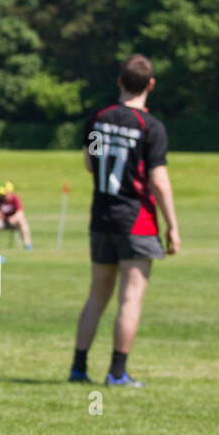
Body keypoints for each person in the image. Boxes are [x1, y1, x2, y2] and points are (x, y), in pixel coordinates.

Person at [70, 53, 179, 388]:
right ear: (151, 85)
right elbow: (159, 181)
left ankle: (79, 367)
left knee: (96, 296)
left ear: (119, 80)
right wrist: (172, 224)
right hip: (137, 221)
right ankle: (117, 372)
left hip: (101, 218)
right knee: (130, 297)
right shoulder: (152, 127)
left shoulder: (98, 117)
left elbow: (90, 165)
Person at [0, 181, 32, 249]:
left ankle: (28, 244)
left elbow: (20, 213)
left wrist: (14, 218)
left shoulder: (15, 198)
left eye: (4, 194)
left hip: (14, 221)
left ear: (9, 193)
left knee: (23, 222)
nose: (2, 195)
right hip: (2, 221)